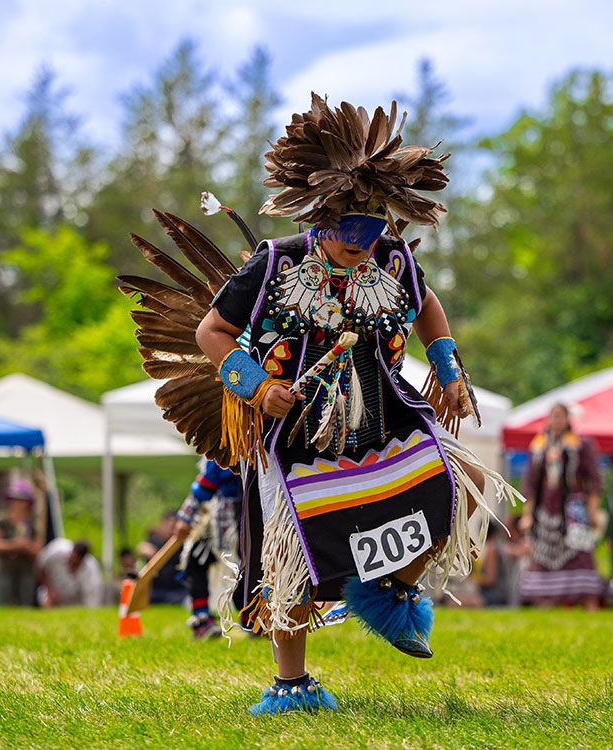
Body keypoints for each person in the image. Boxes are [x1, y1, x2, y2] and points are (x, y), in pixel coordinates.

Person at [123, 94, 523, 715]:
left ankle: (387, 587)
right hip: (299, 432)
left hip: (385, 415)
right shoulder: (276, 264)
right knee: (295, 558)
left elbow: (428, 308)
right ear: (323, 216)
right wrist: (257, 386)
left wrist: (449, 373)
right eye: (349, 231)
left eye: (374, 228)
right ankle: (292, 683)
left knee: (465, 481)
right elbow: (210, 332)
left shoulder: (392, 258)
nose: (362, 243)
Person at [519, 404, 604, 609]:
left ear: (567, 419)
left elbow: (594, 480)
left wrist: (592, 510)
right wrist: (527, 514)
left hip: (573, 507)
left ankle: (589, 602)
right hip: (545, 508)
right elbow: (530, 483)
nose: (556, 420)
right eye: (552, 416)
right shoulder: (539, 445)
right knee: (542, 555)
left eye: (560, 416)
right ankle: (546, 603)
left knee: (581, 551)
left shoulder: (580, 444)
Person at [172, 460, 243, 639]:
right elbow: (205, 486)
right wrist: (185, 518)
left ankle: (256, 620)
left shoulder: (232, 440)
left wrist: (185, 517)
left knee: (247, 570)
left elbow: (206, 484)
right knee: (196, 560)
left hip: (240, 520)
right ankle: (202, 620)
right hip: (220, 521)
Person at [0, 479, 42, 606]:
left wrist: (27, 547)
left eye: (22, 500)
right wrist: (15, 544)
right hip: (5, 570)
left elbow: (38, 549)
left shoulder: (31, 526)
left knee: (25, 603)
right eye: (16, 499)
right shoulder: (1, 522)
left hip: (26, 571)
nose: (18, 503)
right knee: (3, 602)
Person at [35, 538, 104, 607]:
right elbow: (41, 568)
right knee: (44, 598)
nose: (71, 565)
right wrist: (50, 590)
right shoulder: (55, 551)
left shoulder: (92, 571)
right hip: (50, 591)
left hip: (74, 601)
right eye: (71, 561)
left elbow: (91, 599)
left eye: (76, 564)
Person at [137, 512, 187, 605]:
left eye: (174, 527)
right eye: (169, 526)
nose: (171, 530)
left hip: (176, 590)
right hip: (156, 590)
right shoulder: (154, 541)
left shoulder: (182, 545)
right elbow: (142, 547)